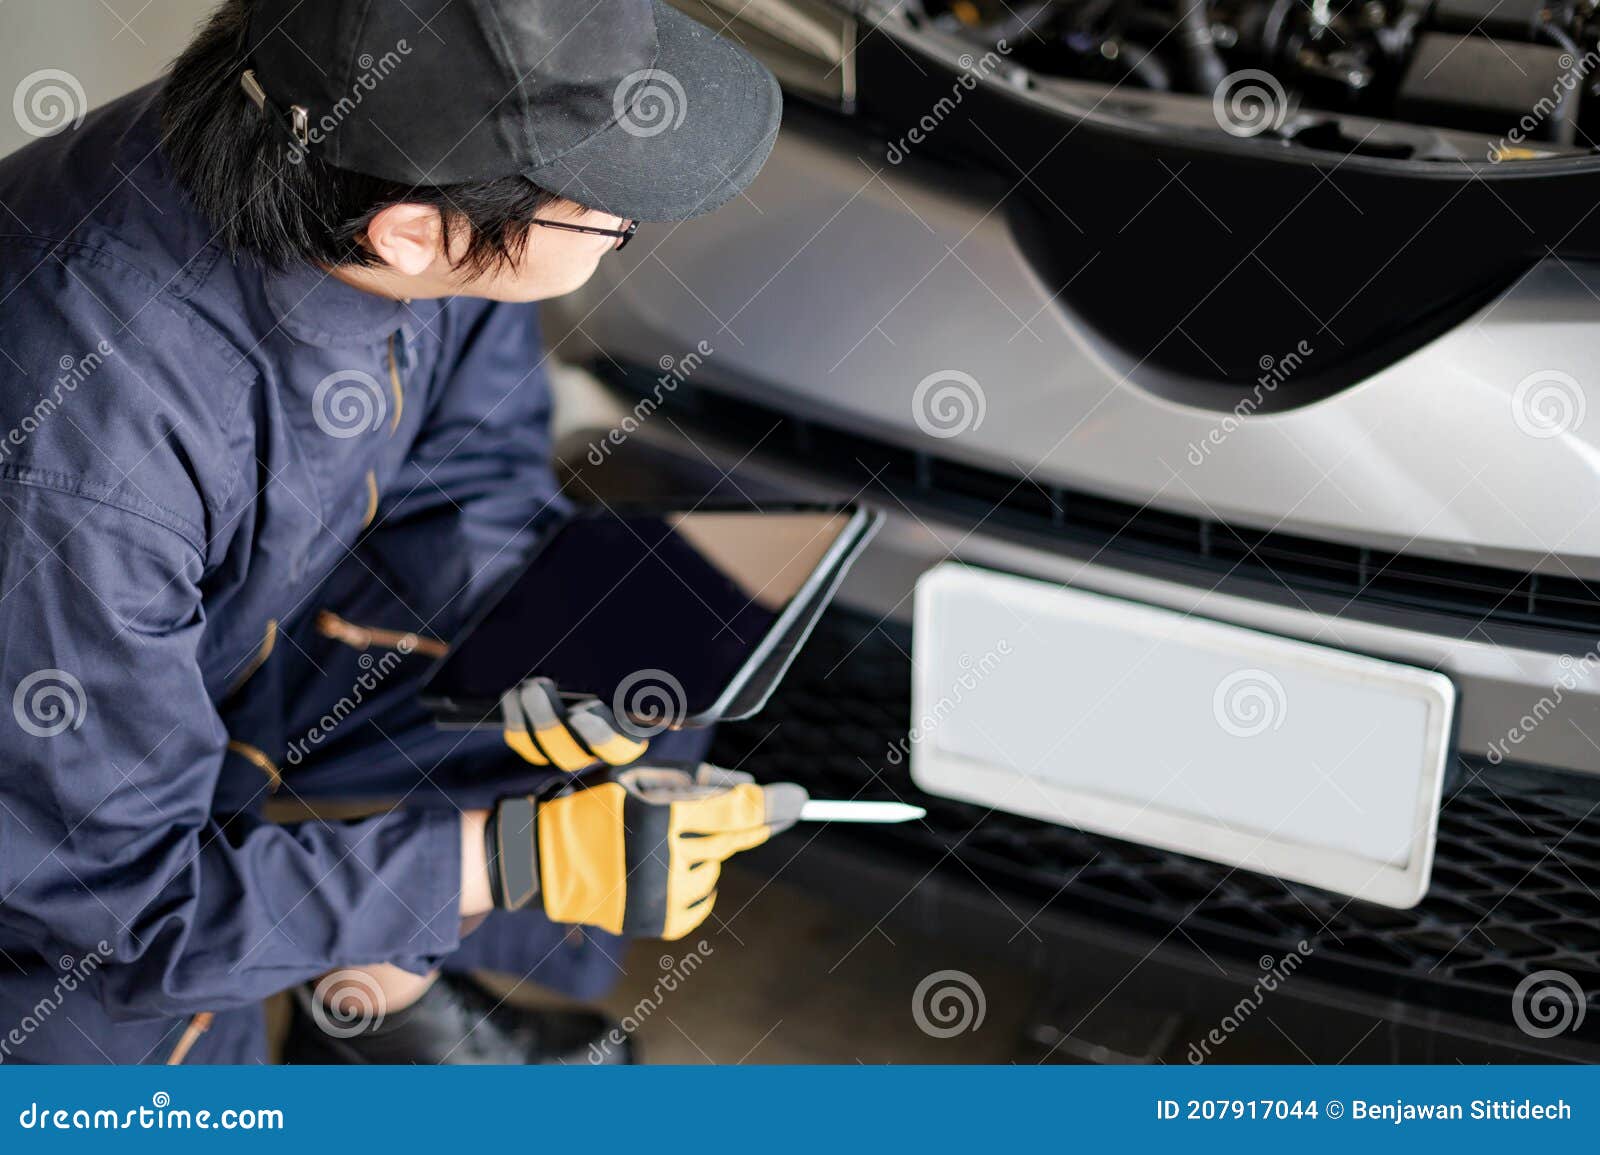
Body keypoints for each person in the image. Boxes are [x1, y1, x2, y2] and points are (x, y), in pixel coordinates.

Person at [0, 0, 793, 1065]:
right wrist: (506, 857)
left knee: (640, 648)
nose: (618, 224)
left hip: (222, 650)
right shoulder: (90, 457)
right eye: (609, 207)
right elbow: (111, 916)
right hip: (55, 823)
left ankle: (372, 997)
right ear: (414, 234)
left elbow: (472, 457)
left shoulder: (358, 146)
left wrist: (534, 652)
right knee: (150, 1030)